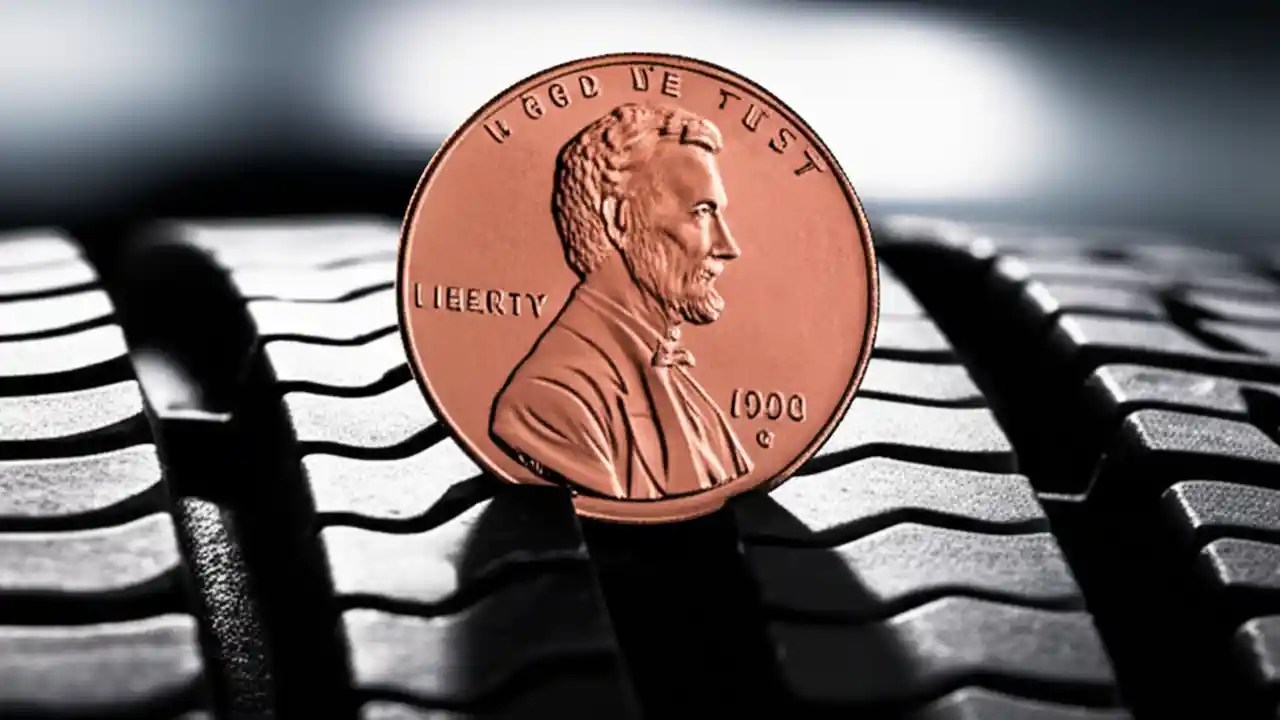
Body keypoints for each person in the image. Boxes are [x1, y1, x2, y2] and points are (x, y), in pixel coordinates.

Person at [490, 101, 753, 500]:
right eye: (701, 212)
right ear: (618, 218)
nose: (727, 246)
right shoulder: (549, 401)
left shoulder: (683, 386)